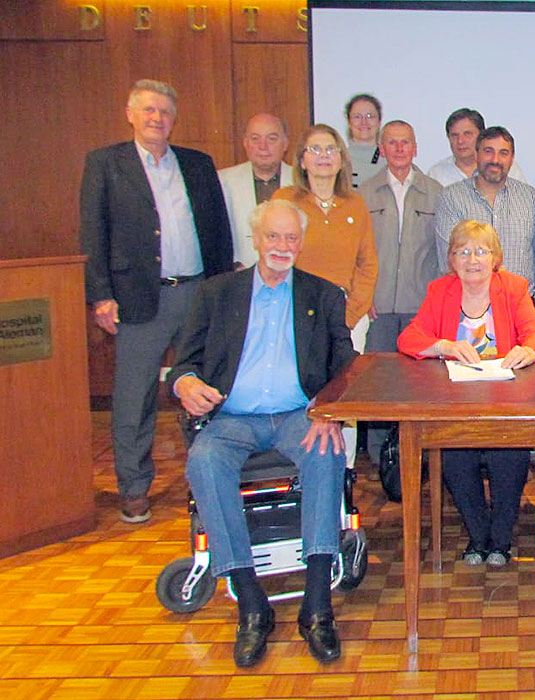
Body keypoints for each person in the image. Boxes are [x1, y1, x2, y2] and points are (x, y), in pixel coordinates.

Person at [169, 199, 355, 668]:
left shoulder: (322, 295)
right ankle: (251, 602)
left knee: (327, 453)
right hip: (232, 417)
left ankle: (317, 603)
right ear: (256, 239)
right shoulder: (218, 294)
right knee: (204, 462)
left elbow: (346, 367)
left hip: (299, 413)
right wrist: (185, 382)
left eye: (292, 238)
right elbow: (185, 362)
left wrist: (330, 411)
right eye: (273, 237)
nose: (282, 247)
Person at [80, 79, 232, 523]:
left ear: (173, 117)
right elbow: (92, 233)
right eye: (148, 110)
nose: (156, 119)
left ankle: (207, 478)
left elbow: (218, 232)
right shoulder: (106, 164)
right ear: (130, 113)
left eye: (164, 111)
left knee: (205, 390)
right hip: (138, 299)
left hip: (198, 293)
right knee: (134, 397)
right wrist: (101, 295)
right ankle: (133, 487)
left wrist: (221, 294)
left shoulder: (198, 165)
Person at [397, 220, 535, 566]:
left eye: (481, 251)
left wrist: (528, 351)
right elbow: (408, 339)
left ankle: (500, 540)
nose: (472, 259)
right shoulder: (441, 291)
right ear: (452, 259)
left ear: (495, 257)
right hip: (456, 407)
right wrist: (443, 346)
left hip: (505, 405)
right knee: (456, 457)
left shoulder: (513, 288)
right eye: (463, 251)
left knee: (508, 456)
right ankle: (477, 536)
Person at [273, 124, 378, 345]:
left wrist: (348, 316)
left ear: (341, 160)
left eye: (331, 149)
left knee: (346, 379)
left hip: (346, 314)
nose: (324, 155)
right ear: (302, 161)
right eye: (315, 149)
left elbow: (367, 264)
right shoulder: (284, 201)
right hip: (295, 311)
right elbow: (273, 259)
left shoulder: (356, 204)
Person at [434, 126, 535, 307]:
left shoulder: (531, 199)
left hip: (521, 310)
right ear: (477, 154)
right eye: (488, 151)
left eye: (503, 153)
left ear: (511, 159)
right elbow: (449, 261)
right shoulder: (451, 198)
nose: (495, 160)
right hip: (468, 311)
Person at [357, 120, 442, 352]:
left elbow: (443, 252)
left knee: (418, 381)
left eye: (405, 142)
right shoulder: (364, 193)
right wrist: (364, 295)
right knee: (378, 377)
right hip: (378, 306)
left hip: (421, 306)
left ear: (415, 148)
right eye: (392, 143)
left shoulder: (436, 192)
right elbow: (356, 251)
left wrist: (437, 300)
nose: (399, 148)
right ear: (381, 149)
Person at [218, 113, 293, 268]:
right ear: (245, 143)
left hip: (292, 279)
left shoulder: (302, 184)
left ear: (285, 144)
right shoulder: (222, 181)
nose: (262, 146)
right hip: (238, 279)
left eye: (271, 139)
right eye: (255, 138)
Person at [426, 108, 528, 186]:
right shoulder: (436, 174)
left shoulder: (506, 168)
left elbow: (522, 203)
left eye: (467, 134)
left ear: (481, 135)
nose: (460, 141)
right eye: (454, 135)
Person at [344, 93, 385, 188]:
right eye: (357, 117)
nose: (364, 122)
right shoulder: (339, 159)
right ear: (349, 122)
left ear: (379, 121)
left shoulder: (391, 160)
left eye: (370, 116)